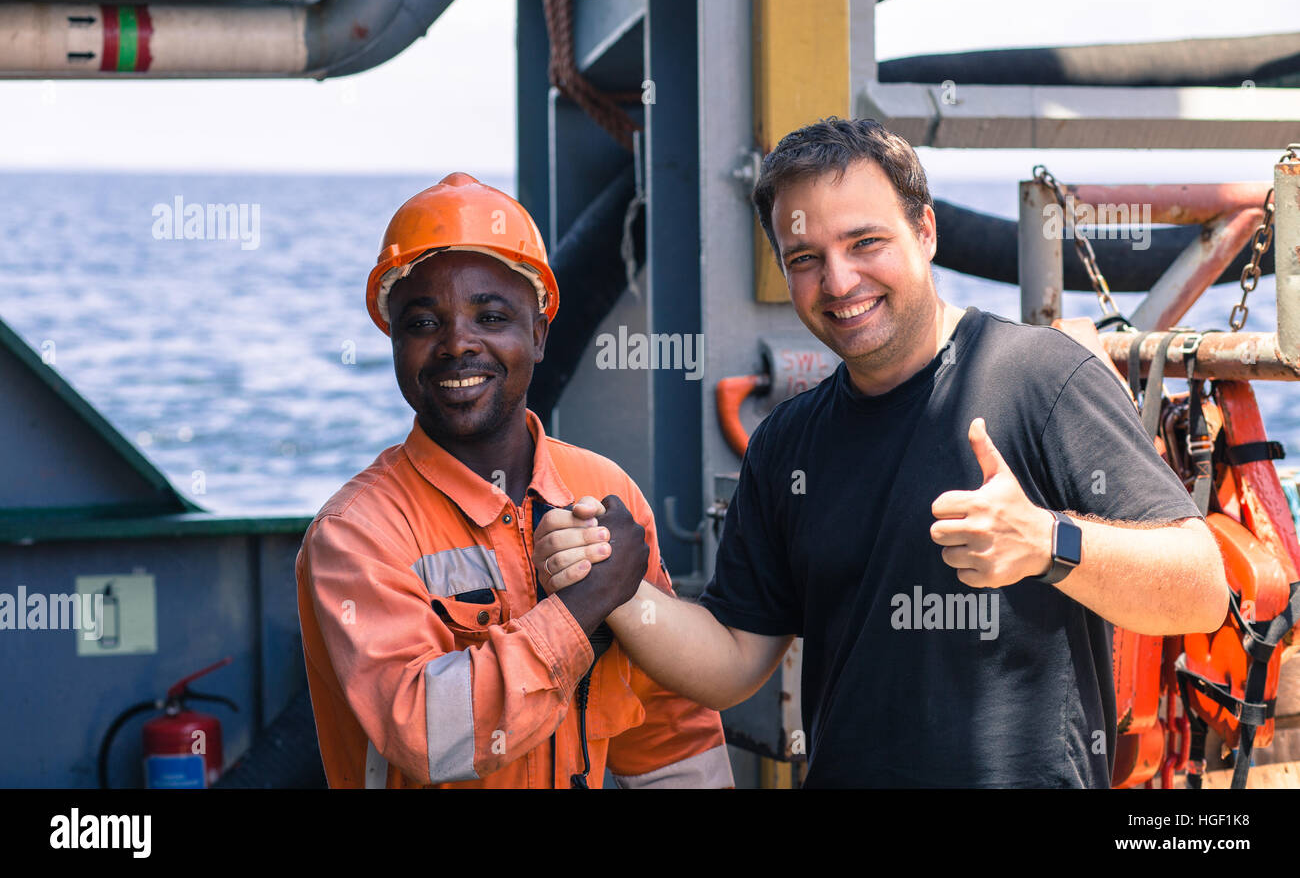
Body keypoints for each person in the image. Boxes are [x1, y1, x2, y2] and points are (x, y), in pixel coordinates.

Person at [532, 118, 1230, 788]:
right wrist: (615, 591)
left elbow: (1201, 588)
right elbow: (735, 659)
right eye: (806, 259)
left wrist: (1048, 542)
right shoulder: (788, 442)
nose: (838, 282)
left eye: (865, 243)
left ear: (925, 232)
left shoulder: (1041, 376)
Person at [295, 172, 732, 788]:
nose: (456, 345)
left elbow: (666, 725)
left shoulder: (605, 490)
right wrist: (587, 605)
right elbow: (426, 735)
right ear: (393, 341)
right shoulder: (356, 535)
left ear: (540, 333)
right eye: (423, 324)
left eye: (491, 316)